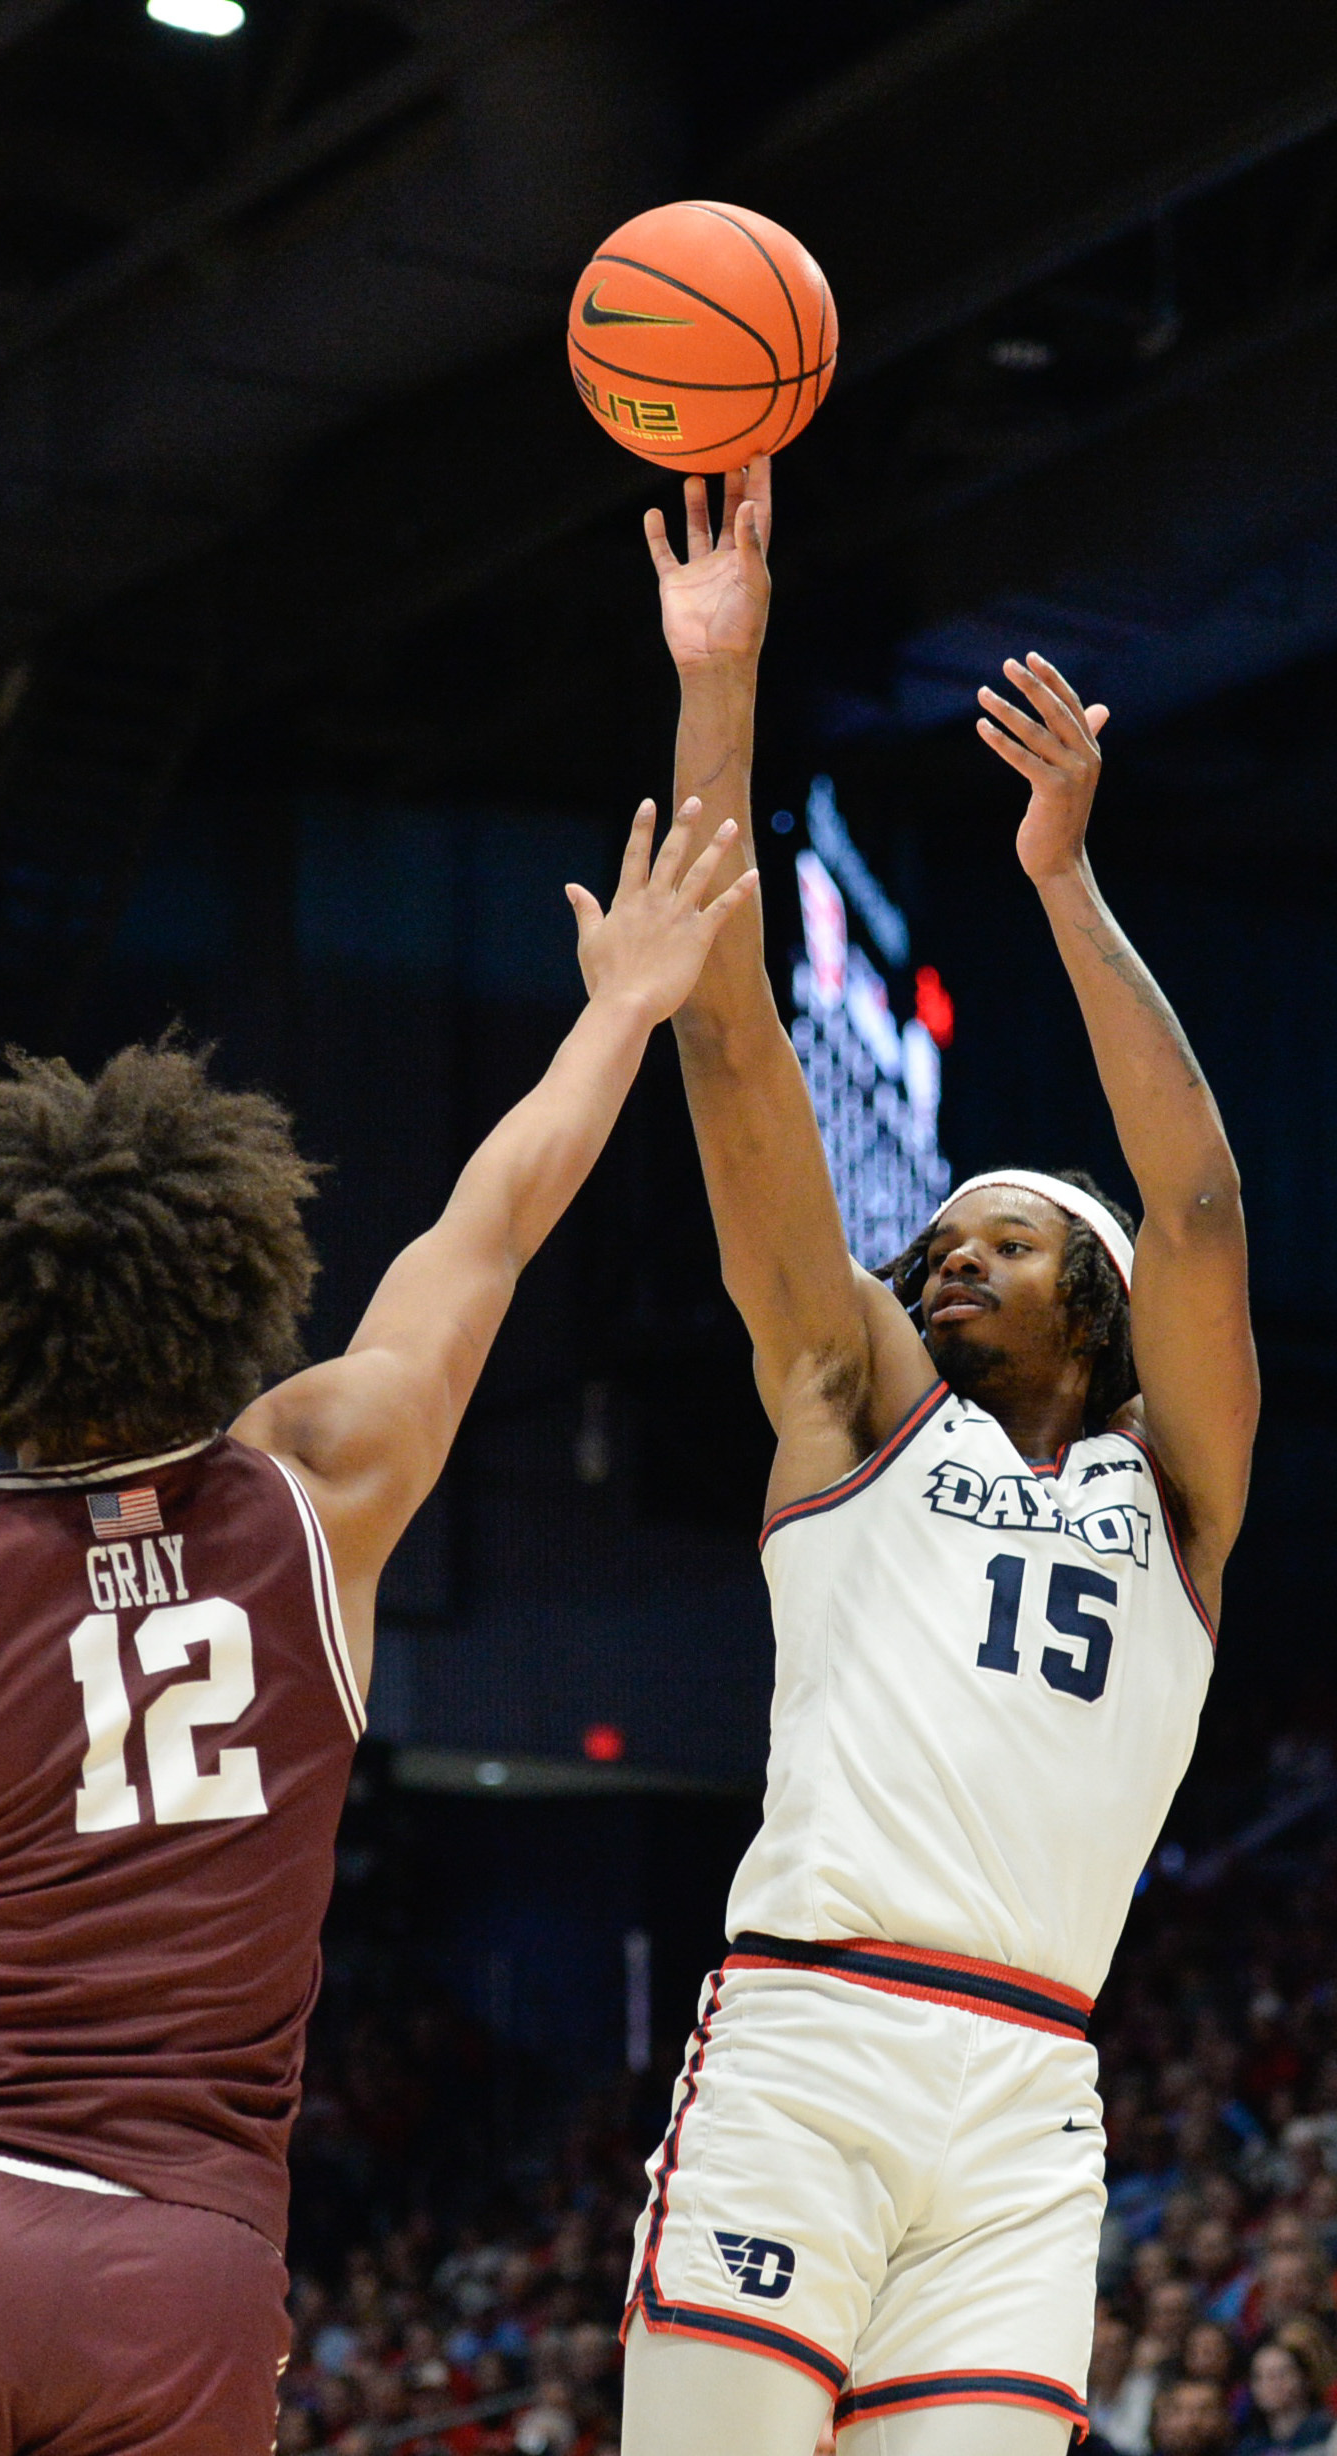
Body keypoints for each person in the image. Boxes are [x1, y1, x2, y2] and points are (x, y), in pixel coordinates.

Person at [0, 796, 758, 2456]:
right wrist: (620, 1005)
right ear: (223, 1280)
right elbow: (481, 1229)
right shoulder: (324, 1496)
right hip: (188, 2264)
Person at [617, 458, 1258, 2456]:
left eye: (1005, 1230)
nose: (945, 1250)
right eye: (936, 1236)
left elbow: (1210, 1204)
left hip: (1031, 2097)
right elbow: (733, 1043)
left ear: (1101, 1294)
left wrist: (1063, 883)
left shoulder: (1179, 1499)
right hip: (810, 2037)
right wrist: (718, 681)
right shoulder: (854, 1400)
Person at [1238, 2322, 1337, 2451]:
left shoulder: (1328, 2431)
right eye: (1260, 2376)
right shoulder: (1250, 2446)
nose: (1271, 2384)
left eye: (1281, 2373)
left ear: (1305, 2379)